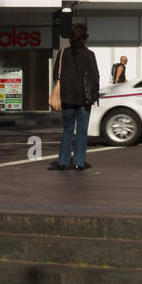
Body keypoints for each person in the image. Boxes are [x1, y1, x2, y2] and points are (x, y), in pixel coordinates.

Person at [49, 23, 100, 172]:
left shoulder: (62, 53)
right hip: (84, 100)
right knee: (82, 132)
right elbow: (95, 78)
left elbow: (55, 76)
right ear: (85, 38)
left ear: (71, 38)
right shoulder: (89, 55)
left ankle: (62, 162)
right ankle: (78, 163)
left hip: (66, 99)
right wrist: (94, 96)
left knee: (67, 130)